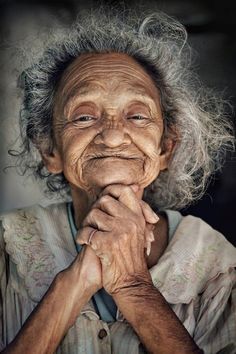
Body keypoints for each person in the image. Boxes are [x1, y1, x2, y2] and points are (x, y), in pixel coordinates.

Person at [0, 6, 235, 354]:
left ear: (165, 150)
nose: (112, 137)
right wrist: (74, 283)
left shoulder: (217, 264)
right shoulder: (7, 249)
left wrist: (133, 285)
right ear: (50, 150)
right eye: (83, 117)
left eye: (137, 115)